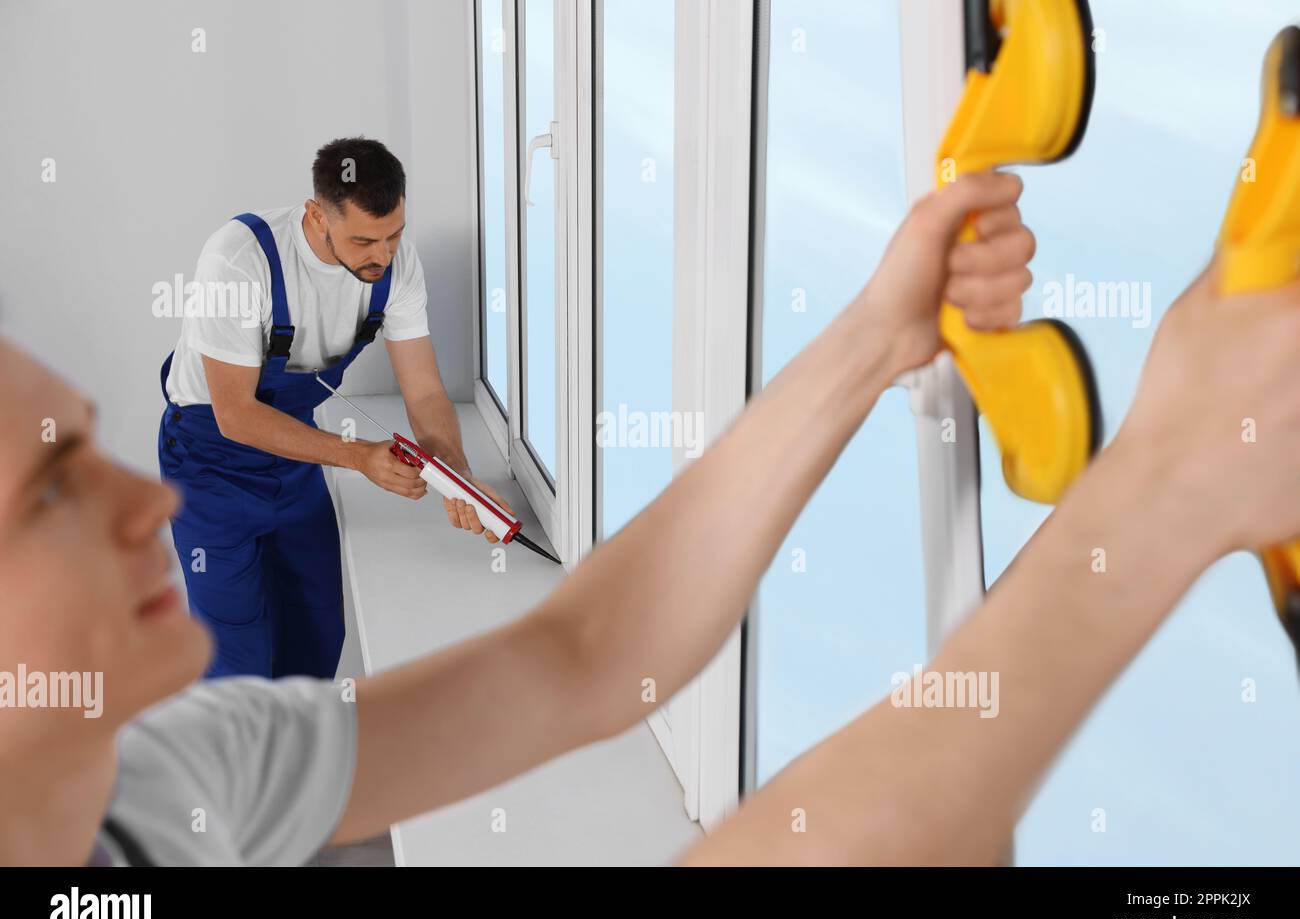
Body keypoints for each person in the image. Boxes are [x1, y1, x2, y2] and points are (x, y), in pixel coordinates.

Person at [4, 172, 1298, 865]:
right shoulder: (242, 271)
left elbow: (579, 655)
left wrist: (871, 337)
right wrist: (1167, 487)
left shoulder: (173, 783)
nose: (144, 502)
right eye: (49, 489)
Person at [158, 137, 512, 681]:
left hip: (295, 451)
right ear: (317, 216)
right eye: (365, 240)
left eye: (394, 234)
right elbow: (236, 415)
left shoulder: (397, 266)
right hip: (210, 463)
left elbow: (423, 393)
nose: (383, 255)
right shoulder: (238, 259)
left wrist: (458, 479)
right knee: (236, 656)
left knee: (318, 632)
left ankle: (302, 762)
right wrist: (360, 458)